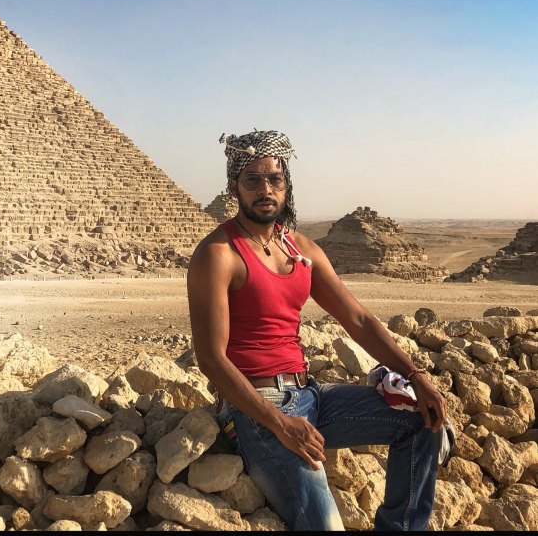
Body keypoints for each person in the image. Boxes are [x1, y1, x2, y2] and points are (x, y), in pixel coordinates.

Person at [187, 130, 446, 531]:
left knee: (421, 419)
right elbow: (211, 360)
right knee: (325, 523)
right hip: (258, 406)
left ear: (287, 186)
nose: (264, 189)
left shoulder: (301, 249)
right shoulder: (219, 254)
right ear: (234, 187)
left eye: (274, 179)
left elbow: (358, 319)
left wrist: (416, 376)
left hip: (310, 394)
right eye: (252, 180)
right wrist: (278, 421)